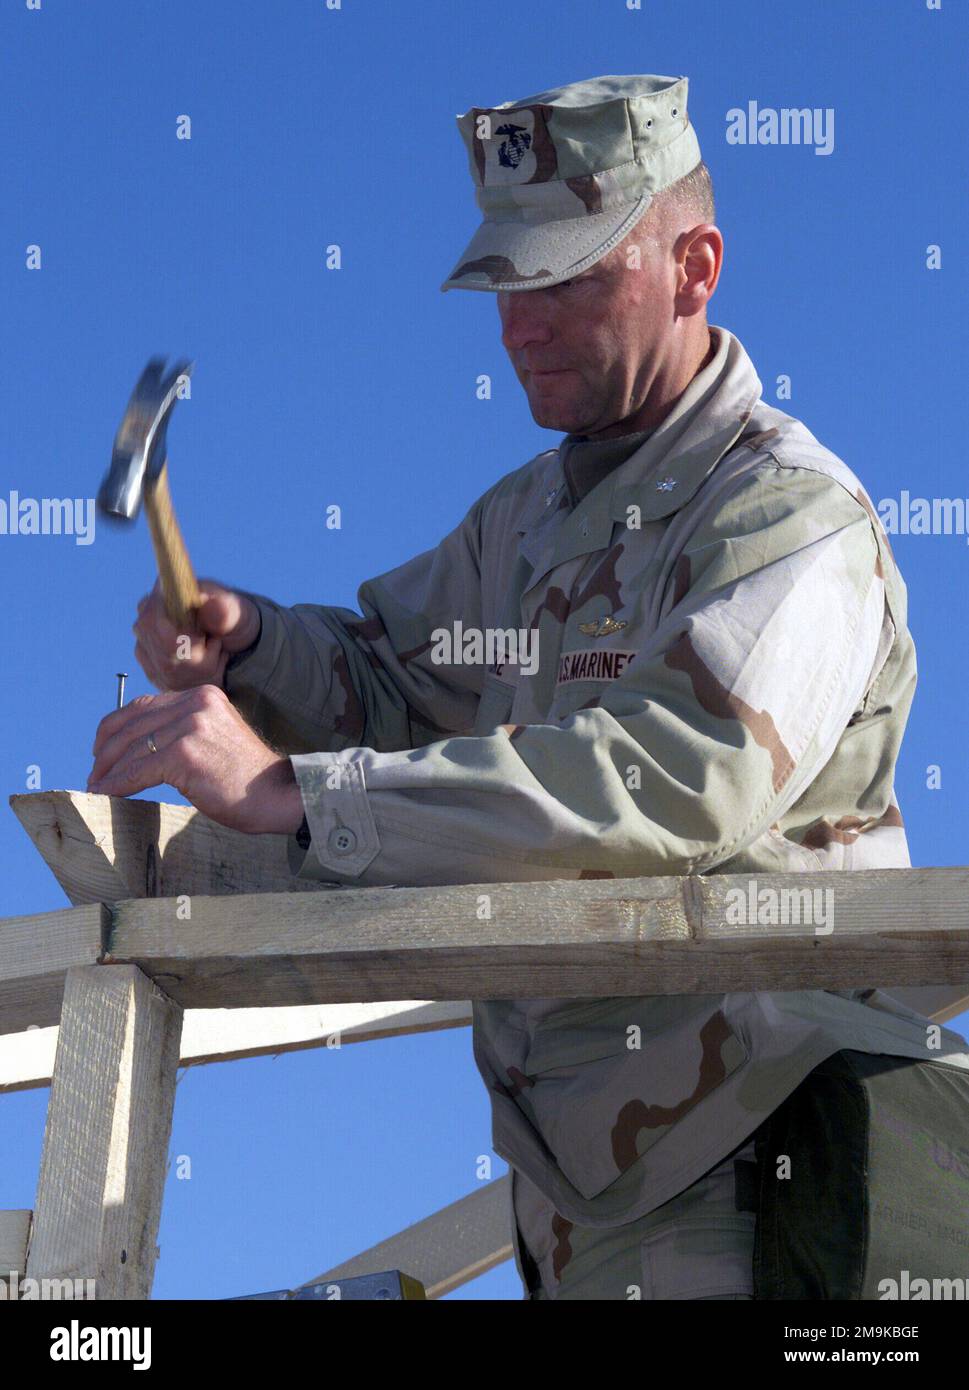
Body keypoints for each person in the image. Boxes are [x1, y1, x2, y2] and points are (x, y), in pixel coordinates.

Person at [88, 73, 969, 1301]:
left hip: (764, 1154)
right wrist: (252, 645)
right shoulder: (528, 523)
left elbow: (672, 778)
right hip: (574, 1196)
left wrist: (297, 791)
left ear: (694, 266)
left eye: (571, 279)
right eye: (509, 284)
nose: (523, 325)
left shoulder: (789, 515)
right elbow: (393, 677)